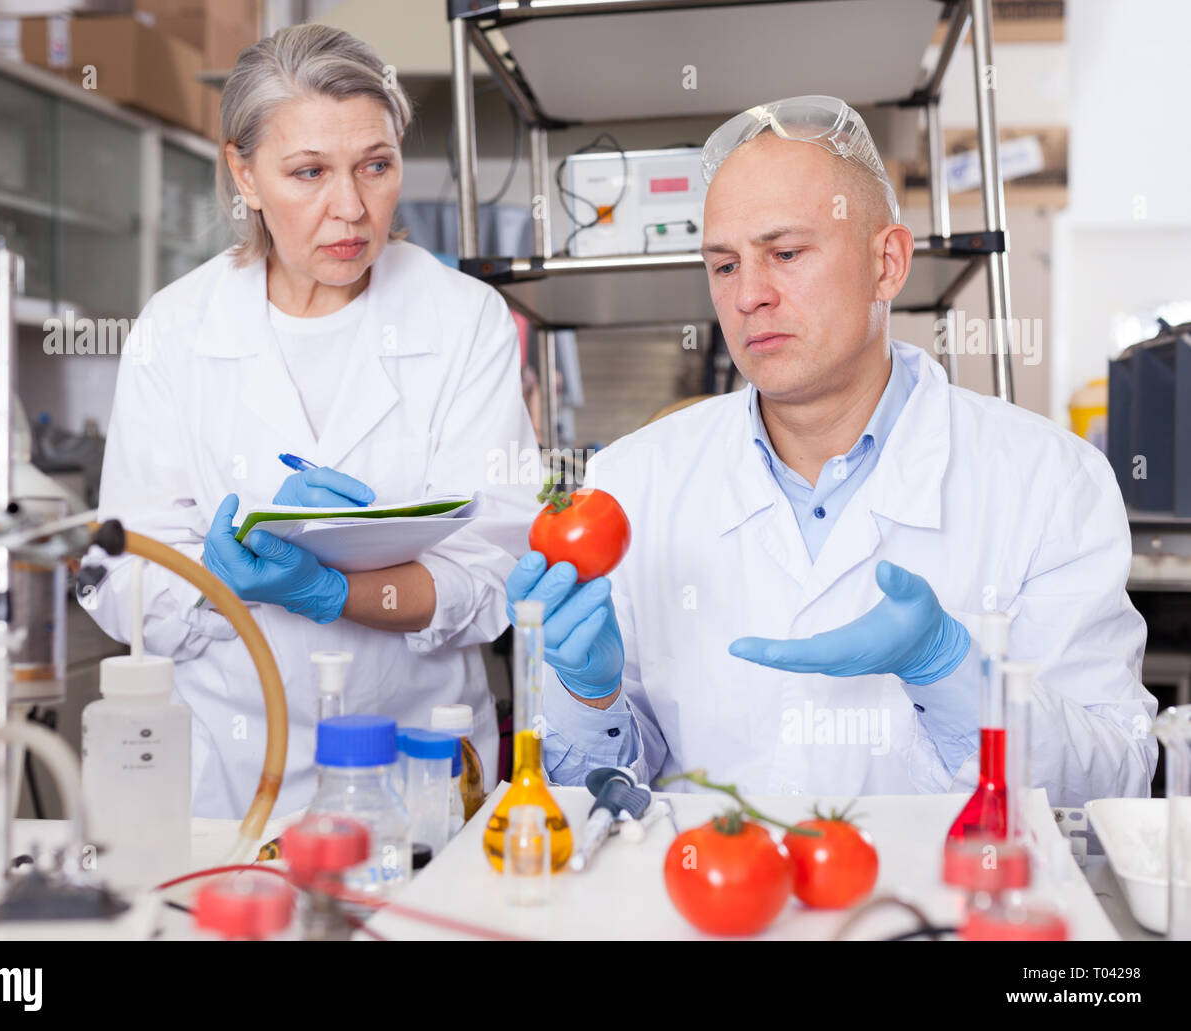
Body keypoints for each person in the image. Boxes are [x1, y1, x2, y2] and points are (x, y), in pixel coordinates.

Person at [506, 95, 1155, 807]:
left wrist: (951, 670)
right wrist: (584, 695)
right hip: (709, 904)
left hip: (946, 909)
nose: (749, 294)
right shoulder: (632, 480)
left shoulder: (1051, 482)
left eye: (785, 253)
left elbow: (1111, 783)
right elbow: (588, 803)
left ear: (888, 263)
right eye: (724, 265)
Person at [85, 24, 537, 818]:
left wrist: (332, 590)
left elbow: (499, 568)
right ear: (244, 173)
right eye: (308, 172)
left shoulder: (464, 319)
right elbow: (118, 569)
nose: (352, 207)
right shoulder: (177, 328)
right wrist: (212, 584)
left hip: (418, 765)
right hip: (229, 773)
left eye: (376, 165)